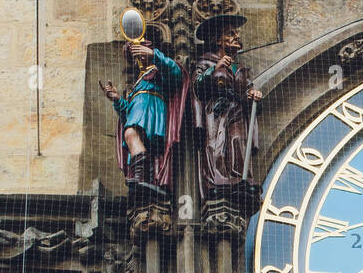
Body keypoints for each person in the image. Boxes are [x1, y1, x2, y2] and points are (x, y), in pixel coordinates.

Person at [191, 13, 263, 203]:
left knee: (237, 140)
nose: (237, 36)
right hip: (215, 111)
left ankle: (240, 177)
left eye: (236, 32)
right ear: (217, 40)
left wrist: (251, 95)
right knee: (217, 143)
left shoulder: (240, 68)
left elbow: (245, 89)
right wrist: (214, 69)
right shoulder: (206, 61)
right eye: (231, 33)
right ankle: (217, 180)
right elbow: (196, 86)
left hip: (236, 109)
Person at [99, 40, 185, 196]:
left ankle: (143, 178)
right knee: (131, 135)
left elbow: (175, 75)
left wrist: (154, 55)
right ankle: (142, 179)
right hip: (140, 112)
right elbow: (127, 115)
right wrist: (117, 100)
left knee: (131, 134)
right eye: (134, 55)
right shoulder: (138, 83)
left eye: (140, 52)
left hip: (152, 110)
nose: (138, 58)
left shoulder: (158, 70)